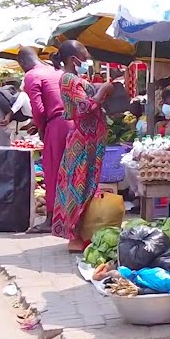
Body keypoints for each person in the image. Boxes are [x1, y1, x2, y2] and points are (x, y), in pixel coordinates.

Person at [51, 40, 118, 252]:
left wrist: (100, 91)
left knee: (87, 185)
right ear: (73, 59)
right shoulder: (69, 79)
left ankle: (81, 232)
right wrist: (101, 92)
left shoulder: (76, 79)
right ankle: (73, 236)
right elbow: (83, 107)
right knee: (78, 187)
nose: (87, 60)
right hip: (82, 143)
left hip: (90, 141)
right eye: (85, 56)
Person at [19, 46, 67, 232]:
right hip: (72, 123)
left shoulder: (32, 75)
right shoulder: (56, 70)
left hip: (56, 126)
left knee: (53, 171)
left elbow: (38, 109)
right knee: (71, 171)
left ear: (22, 63)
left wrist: (40, 126)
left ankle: (51, 219)